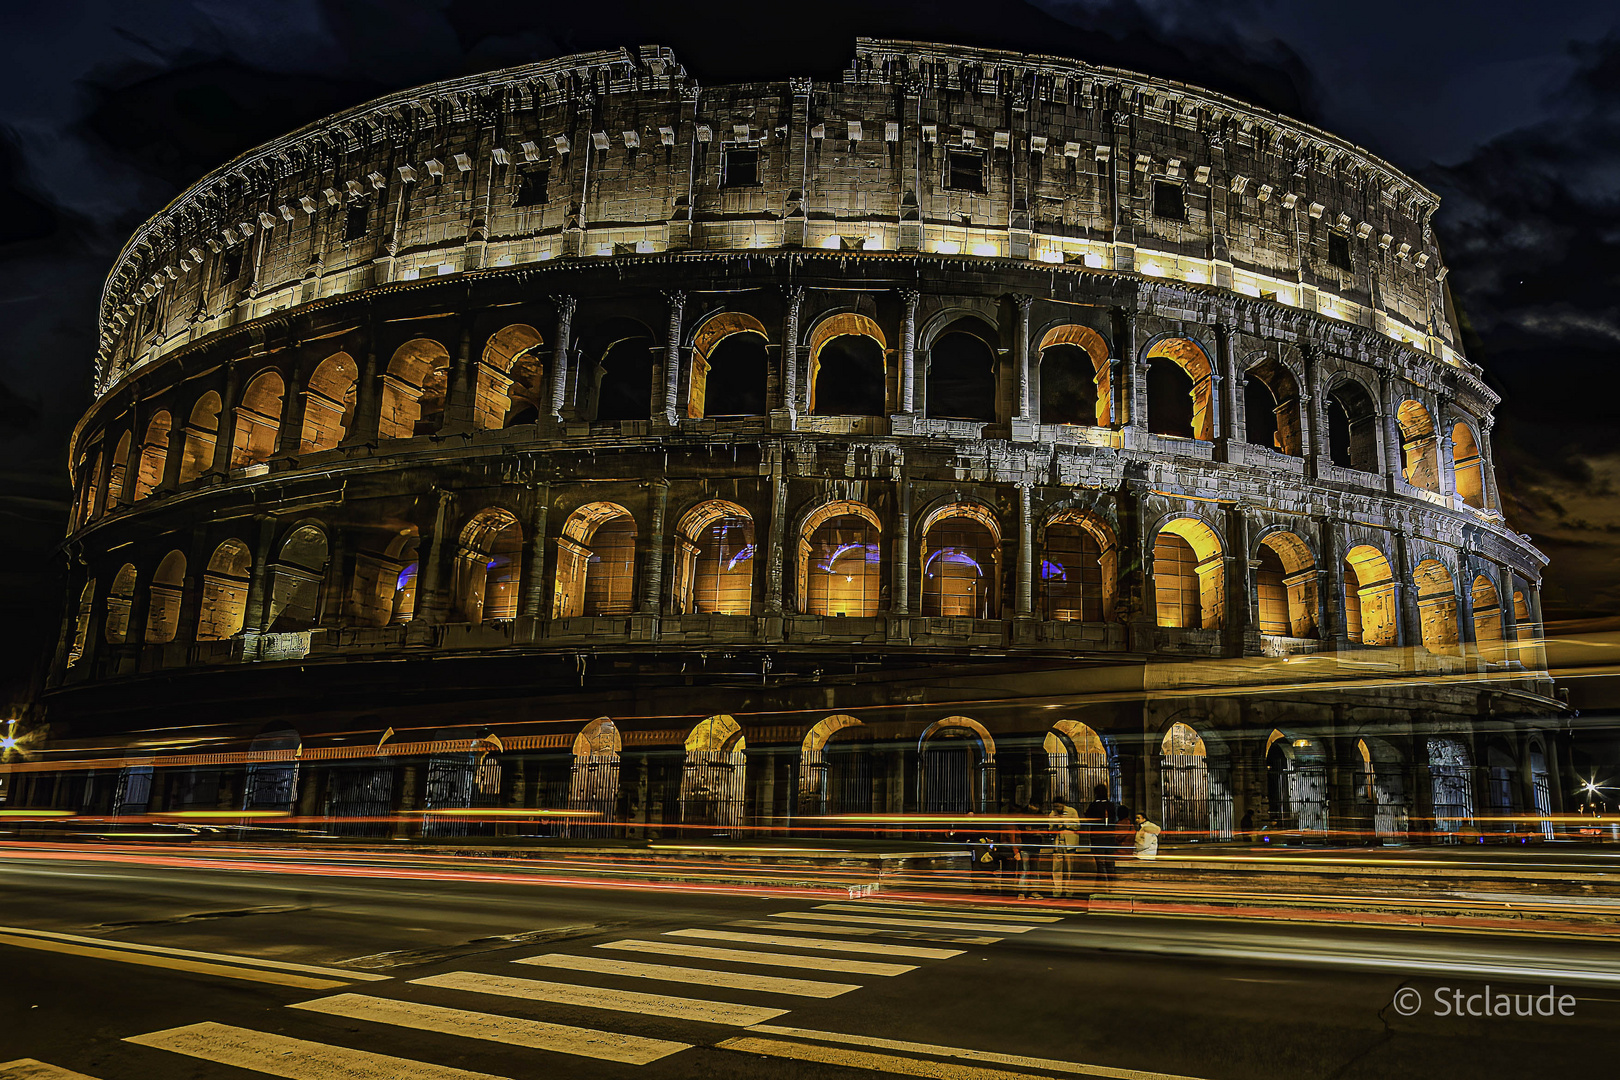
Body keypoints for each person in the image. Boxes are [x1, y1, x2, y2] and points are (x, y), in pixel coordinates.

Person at [1084, 784, 1117, 882]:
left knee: (1100, 862)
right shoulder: (1111, 805)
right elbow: (1113, 818)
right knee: (1110, 861)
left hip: (1097, 836)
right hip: (1109, 836)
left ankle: (1102, 882)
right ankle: (1111, 881)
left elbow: (1089, 818)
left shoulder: (1093, 805)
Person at [1050, 796, 1082, 898]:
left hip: (1070, 843)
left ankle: (1069, 890)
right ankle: (1057, 890)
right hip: (1058, 843)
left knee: (1069, 869)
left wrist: (1065, 823)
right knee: (1057, 868)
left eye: (1058, 806)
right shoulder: (1052, 814)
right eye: (1055, 806)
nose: (1057, 808)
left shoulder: (1072, 811)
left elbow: (1077, 825)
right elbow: (1050, 828)